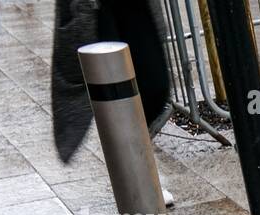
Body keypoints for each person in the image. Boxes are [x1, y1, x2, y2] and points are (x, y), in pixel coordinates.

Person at [50, 0, 172, 174]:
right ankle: (138, 172)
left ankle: (139, 159)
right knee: (113, 88)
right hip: (97, 8)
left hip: (135, 7)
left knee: (156, 86)